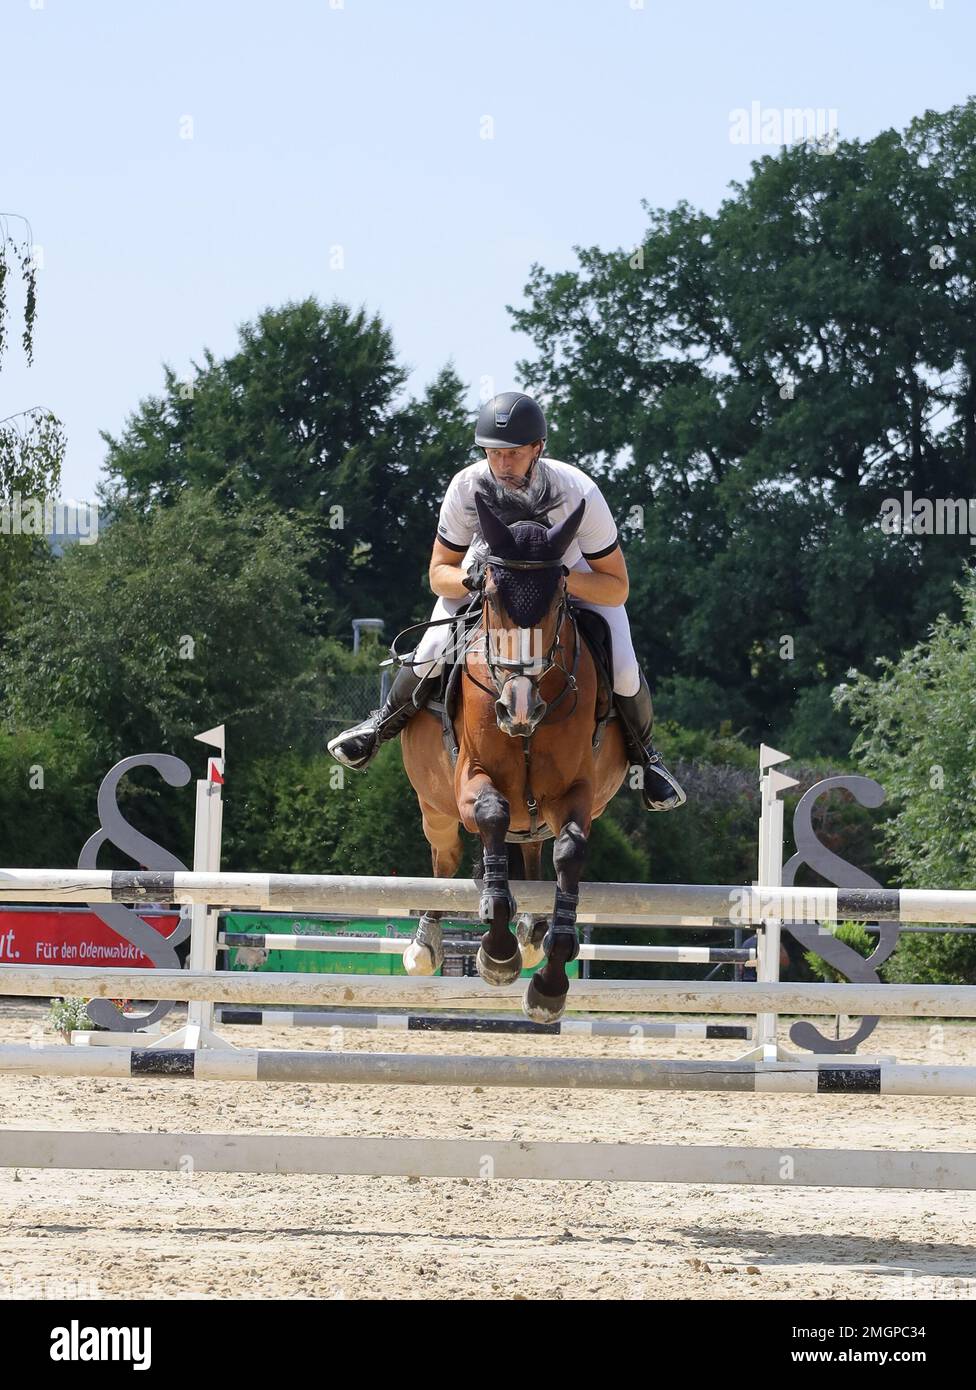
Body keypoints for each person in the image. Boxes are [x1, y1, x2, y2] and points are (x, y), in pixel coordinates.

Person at [328, 392, 685, 811]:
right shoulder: (466, 487)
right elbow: (438, 573)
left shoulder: (578, 492)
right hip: (490, 589)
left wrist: (560, 582)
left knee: (623, 670)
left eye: (514, 453)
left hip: (568, 590)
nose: (503, 465)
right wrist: (472, 579)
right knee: (428, 652)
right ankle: (379, 726)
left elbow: (616, 586)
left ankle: (648, 760)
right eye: (493, 453)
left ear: (538, 448)